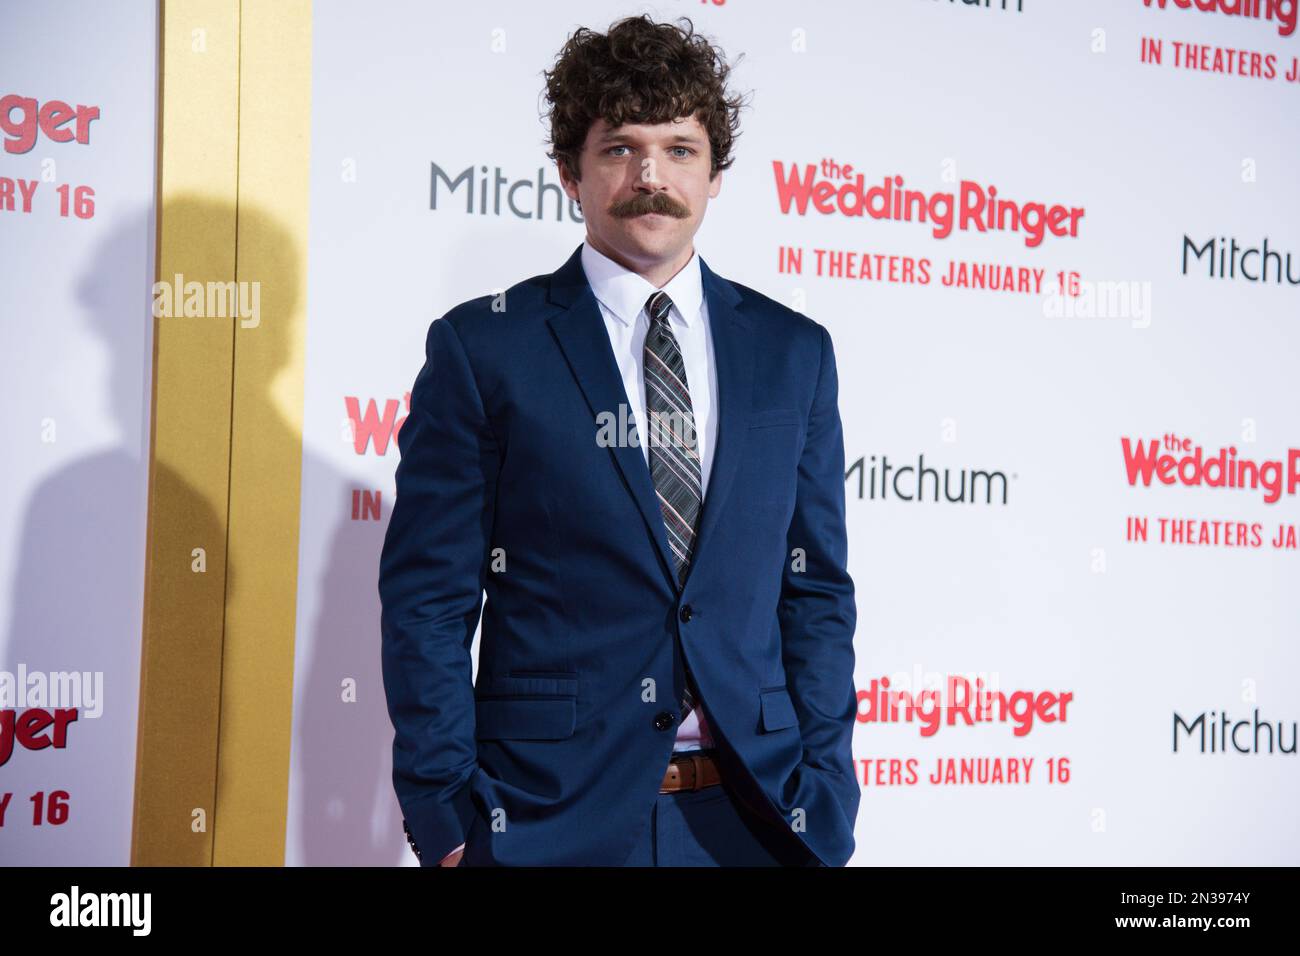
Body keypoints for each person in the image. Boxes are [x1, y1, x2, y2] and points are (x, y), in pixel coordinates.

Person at [379, 14, 859, 867]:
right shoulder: (485, 346)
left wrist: (827, 793)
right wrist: (448, 814)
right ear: (570, 171)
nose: (651, 177)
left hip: (756, 817)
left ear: (716, 174)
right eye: (619, 149)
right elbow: (429, 600)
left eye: (680, 148)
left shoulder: (795, 352)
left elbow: (814, 592)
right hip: (545, 820)